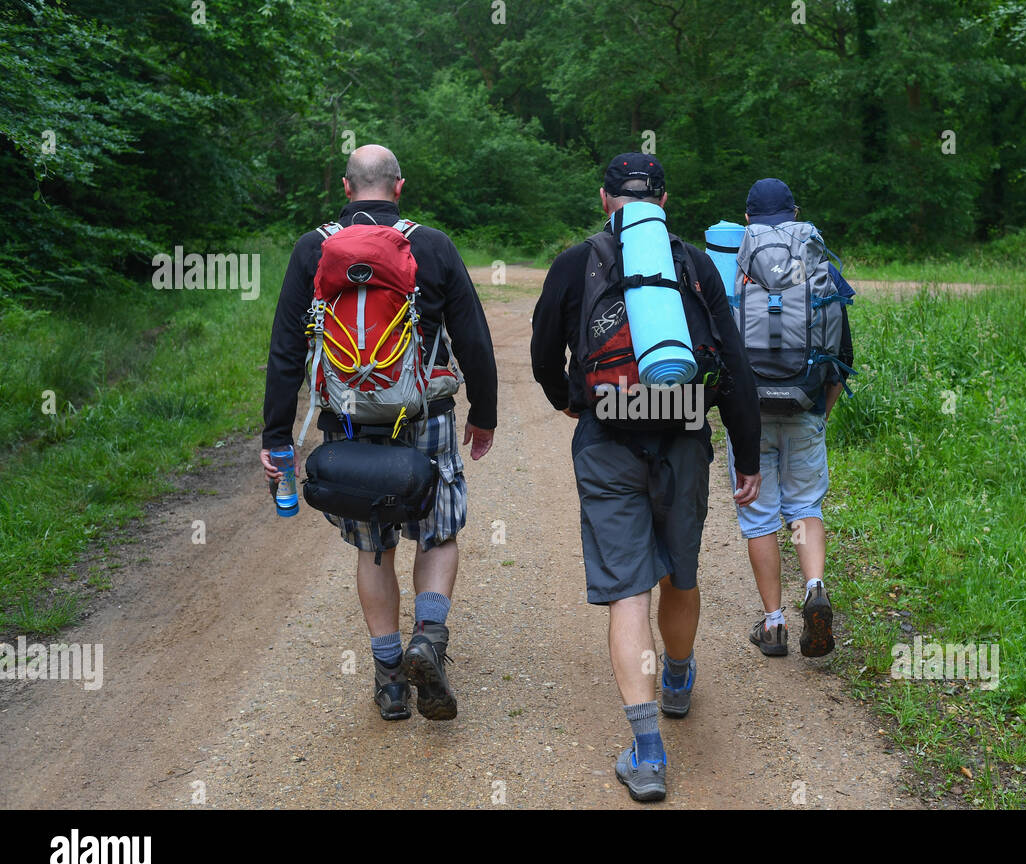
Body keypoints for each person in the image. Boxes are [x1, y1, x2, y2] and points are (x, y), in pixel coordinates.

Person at [531, 152, 762, 802]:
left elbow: (544, 349)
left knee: (629, 589)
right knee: (677, 571)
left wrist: (568, 398)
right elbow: (734, 365)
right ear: (664, 202)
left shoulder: (576, 263)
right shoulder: (691, 265)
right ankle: (680, 680)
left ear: (605, 198)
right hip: (684, 433)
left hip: (607, 435)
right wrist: (748, 455)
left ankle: (648, 751)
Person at [260, 145, 497, 723]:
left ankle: (390, 680)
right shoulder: (432, 244)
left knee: (373, 545)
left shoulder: (313, 248)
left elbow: (287, 350)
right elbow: (472, 334)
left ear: (346, 188)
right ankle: (429, 639)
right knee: (436, 535)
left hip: (347, 425)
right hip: (424, 417)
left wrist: (277, 437)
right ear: (399, 187)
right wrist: (483, 412)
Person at [728, 178, 855, 659]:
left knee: (759, 516)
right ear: (796, 213)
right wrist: (820, 410)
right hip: (805, 407)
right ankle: (815, 589)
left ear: (747, 218)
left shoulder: (734, 269)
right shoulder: (821, 268)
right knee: (804, 508)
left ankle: (775, 624)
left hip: (751, 417)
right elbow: (841, 356)